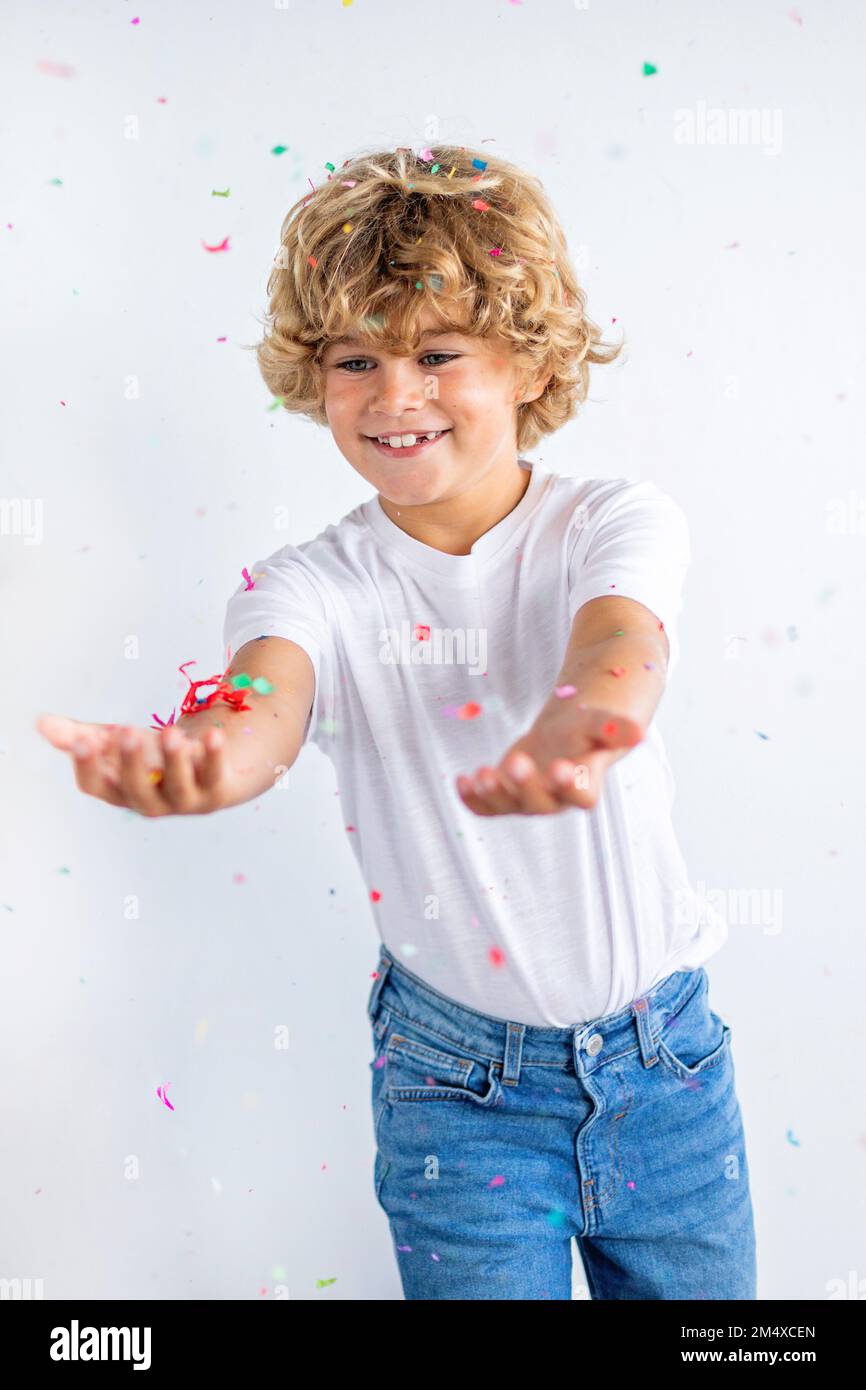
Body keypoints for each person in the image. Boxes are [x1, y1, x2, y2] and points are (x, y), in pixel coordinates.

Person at [36, 144, 756, 1301]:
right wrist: (206, 757)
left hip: (663, 1065)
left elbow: (621, 639)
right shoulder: (309, 586)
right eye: (355, 359)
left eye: (435, 354)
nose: (392, 395)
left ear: (526, 360)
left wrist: (580, 722)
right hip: (453, 1092)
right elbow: (261, 703)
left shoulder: (608, 521)